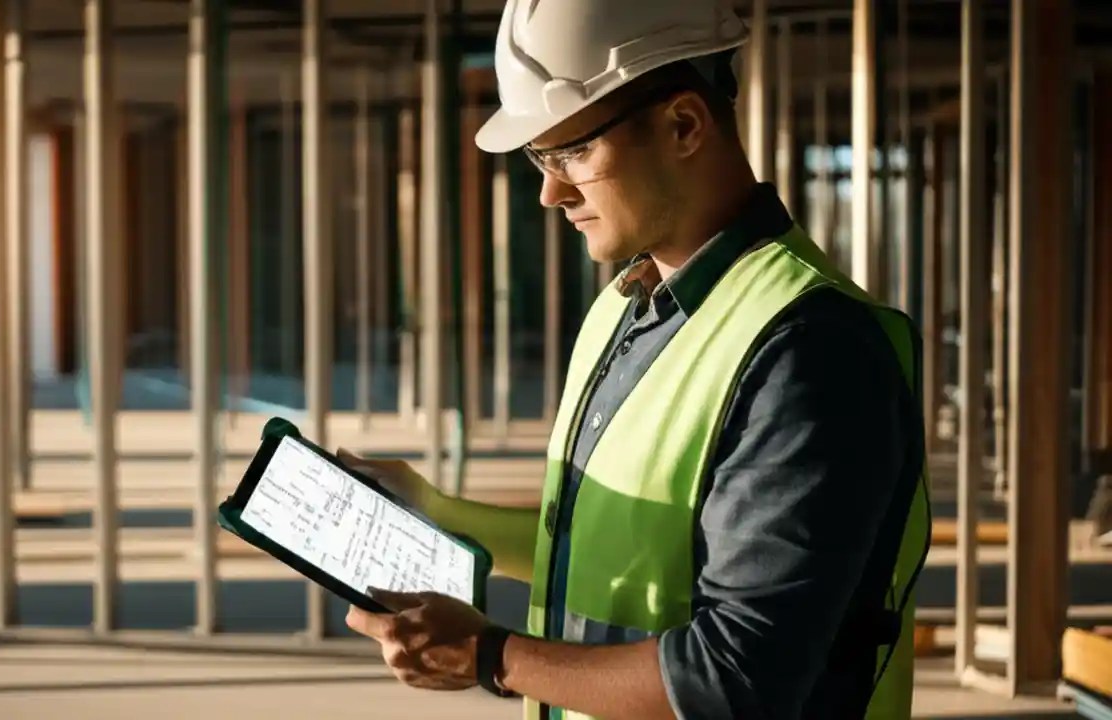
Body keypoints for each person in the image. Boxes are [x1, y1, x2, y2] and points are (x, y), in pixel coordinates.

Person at [338, 1, 931, 718]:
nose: (550, 192)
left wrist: (490, 656)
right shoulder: (627, 305)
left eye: (573, 153)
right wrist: (434, 512)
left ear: (684, 124)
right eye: (540, 156)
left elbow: (738, 676)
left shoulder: (813, 350)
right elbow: (599, 548)